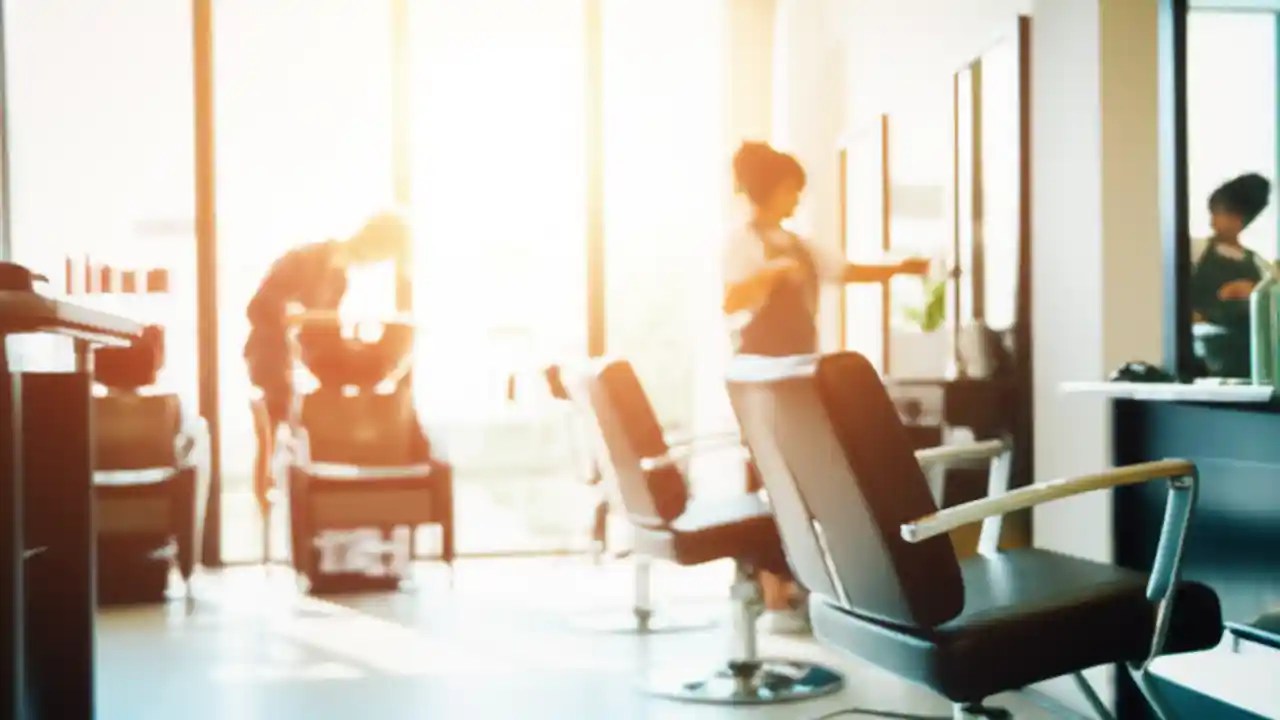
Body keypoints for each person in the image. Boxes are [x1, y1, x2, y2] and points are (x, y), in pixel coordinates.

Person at [723, 141, 929, 634]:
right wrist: (771, 274)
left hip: (797, 374)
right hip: (762, 375)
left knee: (800, 477)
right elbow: (731, 298)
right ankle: (772, 589)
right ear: (772, 188)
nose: (797, 199)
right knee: (769, 478)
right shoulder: (744, 243)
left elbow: (847, 271)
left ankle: (795, 582)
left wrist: (902, 270)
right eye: (792, 189)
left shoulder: (800, 244)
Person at [244, 211, 413, 430]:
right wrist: (294, 314)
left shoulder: (338, 279)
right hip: (275, 362)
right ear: (375, 243)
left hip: (304, 366)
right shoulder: (304, 260)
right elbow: (258, 307)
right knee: (280, 429)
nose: (377, 262)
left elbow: (323, 343)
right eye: (383, 255)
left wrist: (364, 350)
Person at [1189, 173, 1272, 378]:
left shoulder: (1259, 265)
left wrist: (1251, 292)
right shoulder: (1196, 251)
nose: (1212, 222)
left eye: (1219, 214)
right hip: (1203, 356)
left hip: (1245, 361)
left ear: (1239, 218)